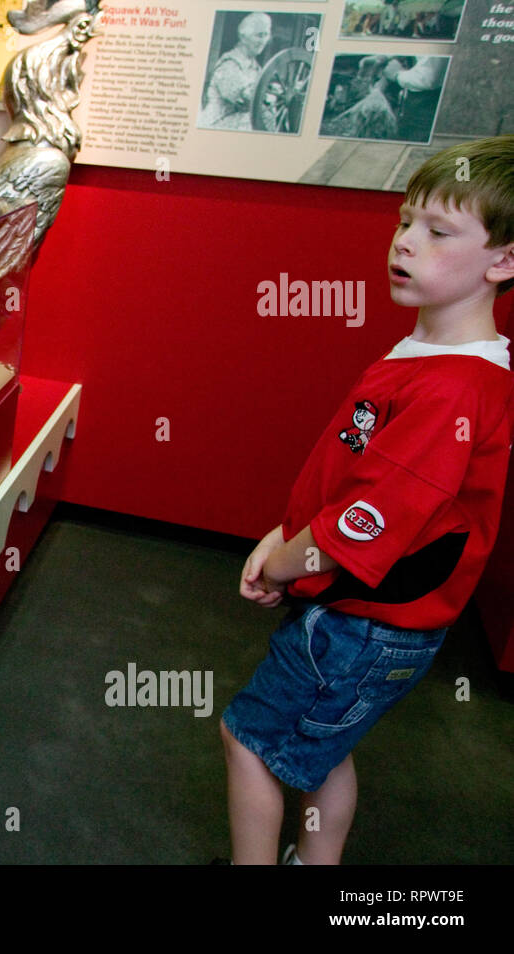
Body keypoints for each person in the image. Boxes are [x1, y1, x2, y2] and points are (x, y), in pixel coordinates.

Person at [221, 136, 514, 865]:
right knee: (325, 749)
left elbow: (358, 532)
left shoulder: (450, 388)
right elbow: (357, 484)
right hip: (374, 618)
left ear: (503, 262)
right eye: (405, 222)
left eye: (439, 232)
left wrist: (284, 564)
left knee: (248, 741)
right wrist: (281, 535)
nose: (406, 242)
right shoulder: (438, 360)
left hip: (359, 626)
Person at [199, 12, 271, 131]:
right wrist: (270, 95)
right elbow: (246, 100)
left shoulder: (256, 67)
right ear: (243, 37)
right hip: (217, 127)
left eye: (266, 35)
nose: (263, 41)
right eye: (259, 35)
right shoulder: (229, 64)